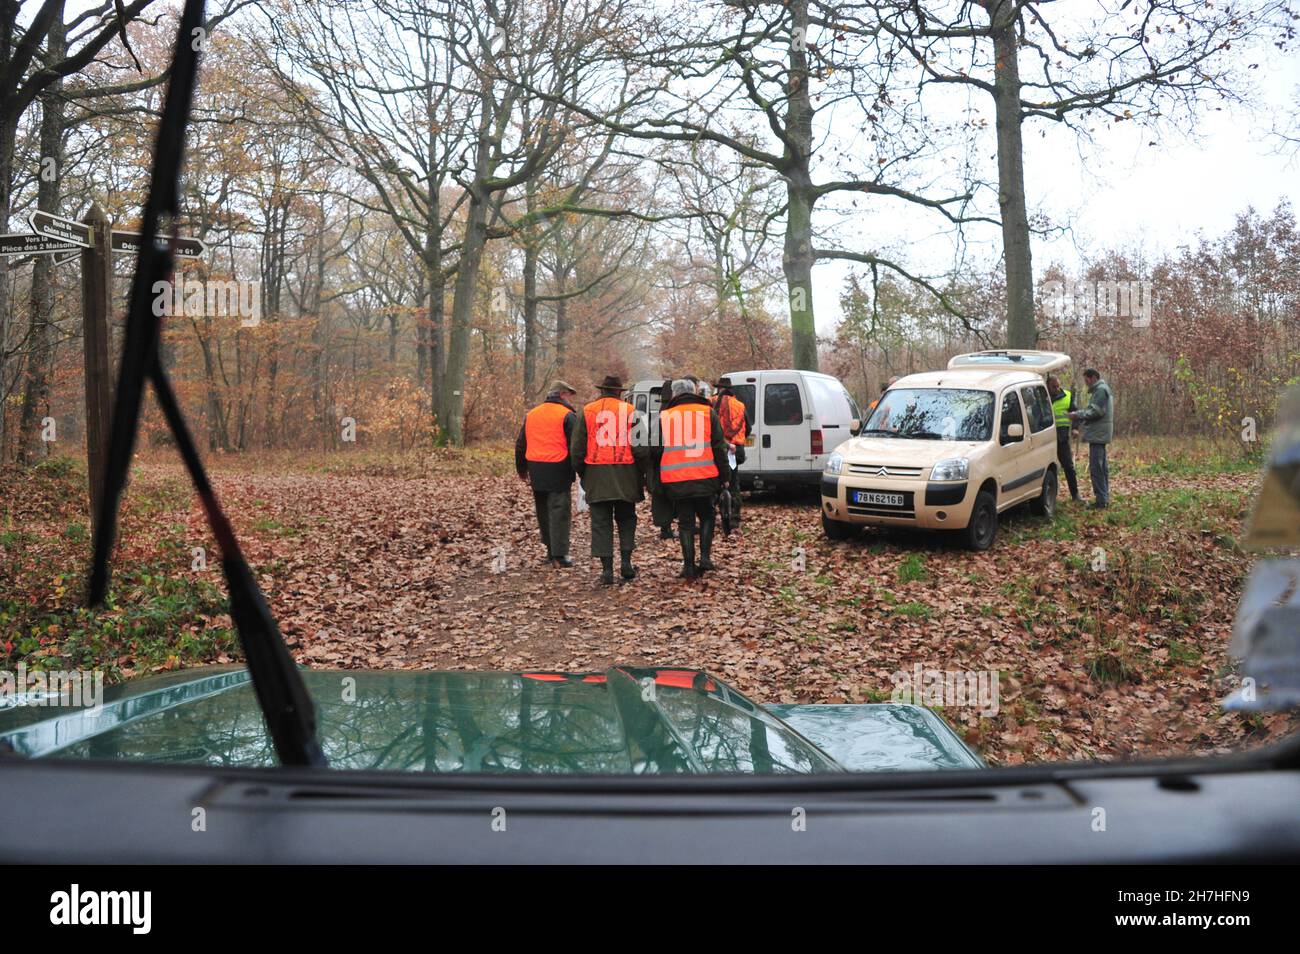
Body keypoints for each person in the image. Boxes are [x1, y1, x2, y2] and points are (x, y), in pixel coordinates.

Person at [571, 375, 644, 585]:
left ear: (602, 390)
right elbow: (641, 449)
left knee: (601, 523)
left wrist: (583, 473)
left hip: (596, 473)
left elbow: (576, 449)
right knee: (627, 518)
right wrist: (641, 474)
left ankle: (607, 571)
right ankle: (627, 564)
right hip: (627, 473)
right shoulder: (631, 412)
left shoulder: (587, 411)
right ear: (619, 392)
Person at [654, 378, 729, 578]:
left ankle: (688, 566)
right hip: (705, 477)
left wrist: (654, 481)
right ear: (694, 391)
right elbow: (719, 448)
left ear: (675, 394)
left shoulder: (665, 416)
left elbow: (656, 451)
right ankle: (705, 558)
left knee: (685, 523)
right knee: (707, 516)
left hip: (676, 479)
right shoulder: (707, 412)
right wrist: (725, 476)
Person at [515, 381, 577, 566]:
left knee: (543, 511)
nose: (570, 399)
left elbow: (520, 444)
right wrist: (578, 470)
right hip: (558, 468)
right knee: (559, 511)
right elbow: (575, 446)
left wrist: (522, 469)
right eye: (569, 395)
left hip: (536, 469)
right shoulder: (567, 415)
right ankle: (560, 555)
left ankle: (550, 551)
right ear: (563, 394)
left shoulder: (532, 414)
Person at [1069, 368, 1114, 509]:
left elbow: (1095, 411)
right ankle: (1104, 498)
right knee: (1102, 467)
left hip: (1098, 435)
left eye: (1086, 380)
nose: (1086, 383)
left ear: (1093, 377)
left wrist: (1078, 415)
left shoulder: (1100, 390)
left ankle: (1101, 501)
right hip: (1099, 434)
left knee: (1097, 468)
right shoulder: (1102, 389)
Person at [712, 377, 748, 525]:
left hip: (716, 447)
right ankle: (734, 516)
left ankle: (711, 514)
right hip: (735, 450)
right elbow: (748, 427)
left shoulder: (711, 402)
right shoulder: (740, 405)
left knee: (713, 482)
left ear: (719, 388)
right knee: (734, 483)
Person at [647, 379, 676, 539]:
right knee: (667, 497)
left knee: (662, 497)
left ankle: (666, 528)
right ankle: (666, 529)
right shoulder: (672, 414)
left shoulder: (659, 414)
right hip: (668, 464)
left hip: (659, 465)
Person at [1046, 374, 1081, 502]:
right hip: (1045, 438)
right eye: (1053, 387)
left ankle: (1075, 494)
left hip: (1062, 437)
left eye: (1058, 386)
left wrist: (1075, 428)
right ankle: (1049, 496)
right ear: (1048, 386)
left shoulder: (1067, 396)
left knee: (1068, 466)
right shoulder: (1042, 396)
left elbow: (1076, 414)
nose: (1056, 389)